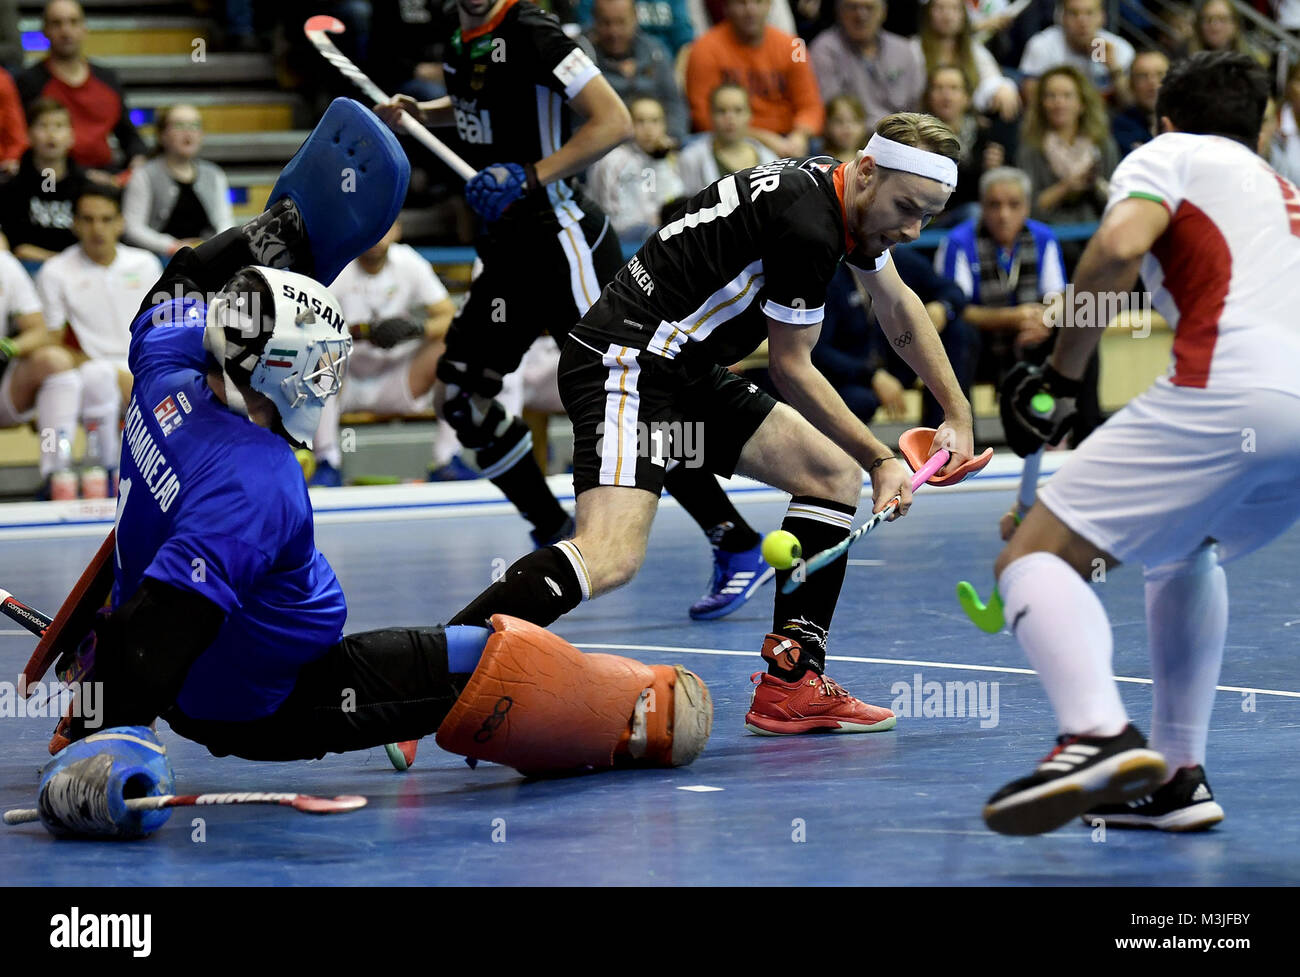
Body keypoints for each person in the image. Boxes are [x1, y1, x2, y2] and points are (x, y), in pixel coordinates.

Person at [30, 101, 712, 840]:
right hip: (272, 701)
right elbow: (166, 625)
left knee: (451, 649)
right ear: (286, 373)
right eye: (320, 367)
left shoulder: (166, 369)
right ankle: (630, 713)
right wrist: (112, 729)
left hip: (184, 655)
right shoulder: (255, 478)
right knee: (490, 659)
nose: (328, 381)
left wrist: (271, 235)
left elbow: (178, 287)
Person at [445, 112, 979, 737]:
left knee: (827, 474)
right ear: (866, 170)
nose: (913, 229)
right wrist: (881, 459)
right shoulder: (809, 227)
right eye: (906, 207)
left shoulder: (833, 190)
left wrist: (957, 411)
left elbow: (896, 305)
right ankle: (431, 672)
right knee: (610, 556)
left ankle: (792, 683)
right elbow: (791, 367)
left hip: (686, 367)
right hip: (630, 362)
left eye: (929, 216)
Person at [380, 0, 775, 622]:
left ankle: (736, 539)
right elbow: (484, 113)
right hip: (508, 250)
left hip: (562, 239)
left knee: (631, 398)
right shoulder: (462, 37)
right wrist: (420, 117)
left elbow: (613, 121)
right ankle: (551, 525)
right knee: (462, 397)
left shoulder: (533, 30)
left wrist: (531, 176)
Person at [983, 52, 1294, 836]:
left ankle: (1094, 731)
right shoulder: (1284, 192)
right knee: (1181, 546)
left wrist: (1056, 378)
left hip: (1233, 389)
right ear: (1257, 128)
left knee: (1034, 558)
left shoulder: (1170, 153)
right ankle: (1177, 775)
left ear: (1166, 119)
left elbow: (1118, 245)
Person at [933, 165, 1104, 445]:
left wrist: (1044, 320)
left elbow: (1057, 297)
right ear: (982, 207)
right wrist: (1014, 318)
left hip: (1032, 338)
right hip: (983, 346)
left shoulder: (1043, 237)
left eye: (1013, 205)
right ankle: (962, 440)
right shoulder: (957, 242)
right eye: (994, 205)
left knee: (1080, 327)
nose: (1003, 215)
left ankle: (1085, 435)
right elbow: (958, 308)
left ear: (1026, 208)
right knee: (958, 335)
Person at [308, 219, 462, 486]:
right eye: (373, 224)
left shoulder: (409, 262)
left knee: (457, 347)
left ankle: (447, 459)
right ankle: (327, 460)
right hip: (345, 381)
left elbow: (450, 316)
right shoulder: (336, 265)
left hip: (398, 377)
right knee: (322, 354)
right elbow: (306, 322)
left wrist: (416, 328)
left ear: (398, 230)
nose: (378, 234)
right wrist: (360, 332)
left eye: (387, 226)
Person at [814, 246, 975, 431]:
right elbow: (818, 352)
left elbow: (953, 291)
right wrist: (871, 376)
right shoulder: (832, 275)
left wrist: (942, 307)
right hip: (852, 375)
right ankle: (850, 453)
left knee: (958, 331)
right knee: (858, 401)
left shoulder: (904, 261)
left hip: (898, 363)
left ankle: (942, 429)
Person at [15, 0, 146, 178]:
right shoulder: (28, 82)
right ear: (44, 31)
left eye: (73, 22)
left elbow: (129, 136)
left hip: (106, 176)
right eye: (57, 23)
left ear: (84, 29)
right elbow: (21, 141)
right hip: (52, 176)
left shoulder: (107, 79)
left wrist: (138, 161)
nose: (66, 31)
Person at [685, 0, 824, 158]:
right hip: (729, 136)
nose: (750, 10)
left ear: (770, 5)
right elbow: (703, 117)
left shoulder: (793, 46)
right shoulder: (704, 48)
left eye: (758, 2)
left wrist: (800, 136)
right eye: (741, 3)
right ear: (727, 7)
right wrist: (764, 139)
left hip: (788, 138)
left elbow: (810, 106)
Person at [0, 248, 87, 499]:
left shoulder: (4, 265)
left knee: (54, 362)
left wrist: (7, 347)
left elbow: (38, 331)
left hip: (4, 388)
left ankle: (55, 469)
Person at [122, 104, 235, 259]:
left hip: (205, 256)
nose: (188, 132)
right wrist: (172, 246)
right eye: (179, 125)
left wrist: (210, 246)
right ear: (162, 135)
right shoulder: (143, 175)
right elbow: (132, 228)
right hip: (159, 260)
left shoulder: (214, 174)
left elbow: (225, 221)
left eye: (194, 125)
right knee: (178, 284)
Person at [1016, 65, 1118, 234]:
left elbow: (1116, 198)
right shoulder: (1030, 148)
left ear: (1082, 104)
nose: (1059, 102)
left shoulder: (1103, 144)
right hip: (1049, 233)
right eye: (1051, 96)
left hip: (1098, 231)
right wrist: (1065, 187)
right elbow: (1025, 207)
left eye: (1067, 96)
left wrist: (1095, 184)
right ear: (1042, 104)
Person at [810, 0, 924, 131]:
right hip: (850, 138)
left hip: (900, 135)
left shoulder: (902, 50)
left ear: (883, 12)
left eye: (869, 8)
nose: (861, 15)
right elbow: (831, 108)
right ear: (839, 12)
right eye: (853, 8)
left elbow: (916, 103)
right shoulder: (824, 49)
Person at [586, 95, 687, 243]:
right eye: (640, 121)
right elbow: (614, 217)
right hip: (617, 237)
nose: (648, 128)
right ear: (628, 124)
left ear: (664, 125)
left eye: (655, 121)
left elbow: (671, 202)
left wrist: (660, 162)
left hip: (653, 231)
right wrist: (656, 220)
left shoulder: (663, 157)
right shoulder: (613, 160)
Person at [587, 0, 689, 144]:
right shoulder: (583, 57)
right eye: (606, 23)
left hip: (656, 143)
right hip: (607, 149)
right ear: (594, 21)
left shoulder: (654, 51)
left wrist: (671, 138)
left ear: (635, 18)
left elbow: (674, 103)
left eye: (621, 22)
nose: (614, 31)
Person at [924, 64, 1016, 224]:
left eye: (954, 88)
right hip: (929, 218)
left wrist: (995, 170)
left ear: (967, 97)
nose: (946, 96)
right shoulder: (919, 137)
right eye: (939, 88)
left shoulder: (985, 134)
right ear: (929, 97)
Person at [0, 98, 85, 262]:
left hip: (79, 271)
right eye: (43, 126)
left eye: (59, 126)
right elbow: (16, 245)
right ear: (29, 135)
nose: (51, 134)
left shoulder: (86, 187)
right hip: (26, 268)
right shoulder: (11, 188)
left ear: (71, 136)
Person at [914, 0, 1019, 123]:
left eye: (954, 9)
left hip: (964, 119)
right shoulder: (913, 49)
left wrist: (1003, 88)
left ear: (964, 15)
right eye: (940, 8)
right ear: (928, 13)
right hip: (921, 118)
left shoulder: (973, 50)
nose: (947, 15)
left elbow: (991, 78)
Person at [1018, 0, 1134, 106]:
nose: (1082, 21)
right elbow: (1031, 100)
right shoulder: (1042, 45)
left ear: (1102, 17)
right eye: (1074, 14)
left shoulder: (1119, 48)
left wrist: (1113, 68)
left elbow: (1129, 104)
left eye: (1089, 13)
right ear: (1062, 17)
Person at [678, 82, 776, 194]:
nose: (730, 118)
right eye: (721, 111)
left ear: (750, 114)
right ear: (710, 115)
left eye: (738, 110)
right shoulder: (691, 158)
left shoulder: (769, 158)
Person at [1112, 50, 1169, 158]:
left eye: (1160, 75)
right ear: (1131, 85)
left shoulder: (1188, 123)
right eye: (1143, 76)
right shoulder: (1120, 126)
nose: (1152, 82)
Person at [819, 94, 869, 164]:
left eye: (854, 120)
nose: (847, 127)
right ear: (827, 125)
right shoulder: (820, 161)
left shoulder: (871, 160)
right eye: (839, 121)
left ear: (863, 124)